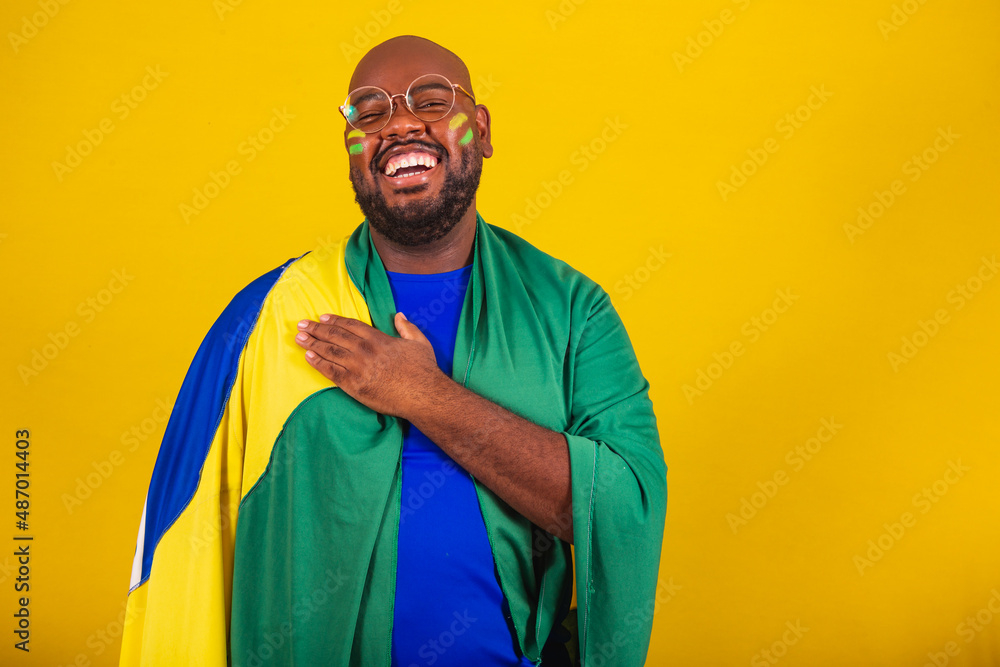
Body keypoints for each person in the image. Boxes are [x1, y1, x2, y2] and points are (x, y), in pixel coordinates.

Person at [119, 35, 667, 667]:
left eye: (431, 100)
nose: (401, 123)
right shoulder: (271, 313)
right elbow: (181, 540)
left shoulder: (570, 309)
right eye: (370, 112)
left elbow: (618, 504)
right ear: (352, 149)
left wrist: (426, 397)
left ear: (482, 130)